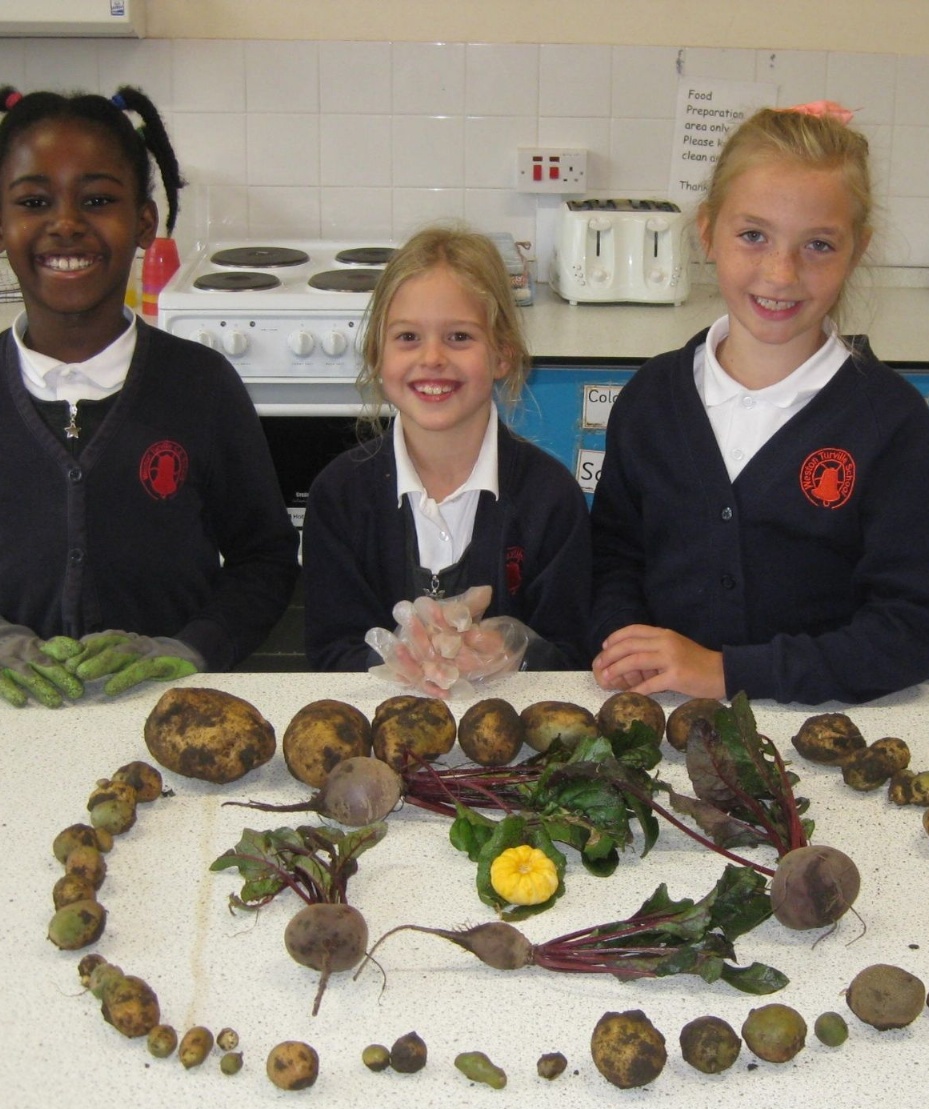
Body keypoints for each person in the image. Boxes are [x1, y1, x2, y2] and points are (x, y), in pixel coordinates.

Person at [589, 103, 929, 704]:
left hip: (829, 731)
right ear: (707, 231)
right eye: (753, 235)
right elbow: (614, 559)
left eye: (818, 245)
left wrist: (727, 673)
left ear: (857, 251)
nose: (781, 273)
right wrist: (619, 641)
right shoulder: (650, 400)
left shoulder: (892, 422)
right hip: (659, 716)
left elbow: (911, 630)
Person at [0, 86, 299, 706]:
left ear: (143, 223)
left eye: (98, 200)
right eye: (33, 201)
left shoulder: (202, 387)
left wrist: (193, 647)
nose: (65, 223)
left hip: (172, 722)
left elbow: (265, 558)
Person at [302, 224, 591, 676]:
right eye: (408, 337)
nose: (433, 357)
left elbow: (573, 656)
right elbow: (329, 651)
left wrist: (519, 649)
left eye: (459, 337)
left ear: (502, 355)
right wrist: (402, 660)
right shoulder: (338, 497)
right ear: (378, 357)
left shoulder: (550, 499)